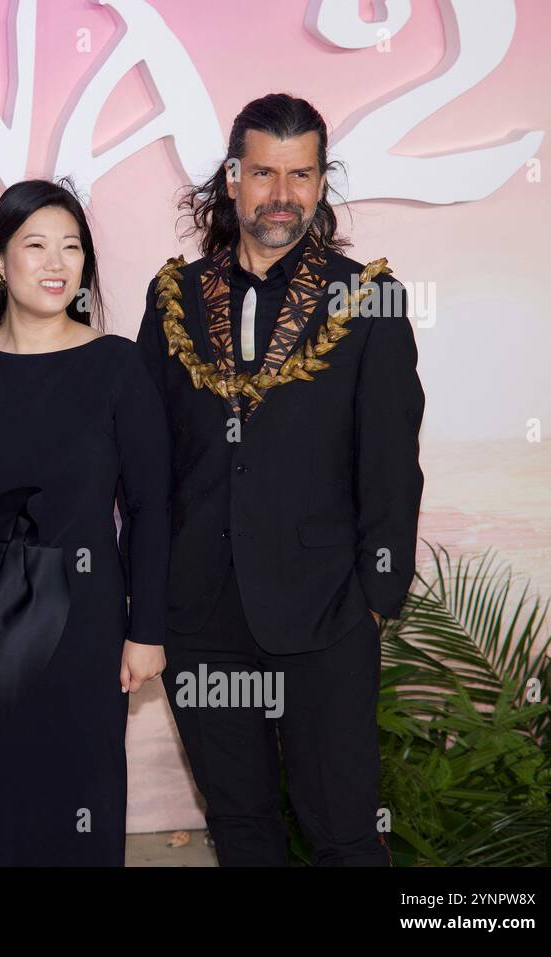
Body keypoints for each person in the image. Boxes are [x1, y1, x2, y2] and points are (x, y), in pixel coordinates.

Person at [136, 93, 424, 866]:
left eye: (301, 174)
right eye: (264, 172)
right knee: (240, 824)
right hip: (200, 614)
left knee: (342, 830)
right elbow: (149, 464)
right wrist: (149, 603)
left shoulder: (367, 298)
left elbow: (392, 464)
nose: (282, 194)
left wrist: (374, 603)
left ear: (322, 182)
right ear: (233, 177)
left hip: (328, 615)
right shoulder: (174, 298)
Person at [0, 178, 171, 865]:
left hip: (84, 626)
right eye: (35, 245)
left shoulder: (116, 364)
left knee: (78, 806)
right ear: (0, 261)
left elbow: (153, 505)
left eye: (71, 247)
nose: (56, 262)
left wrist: (145, 630)